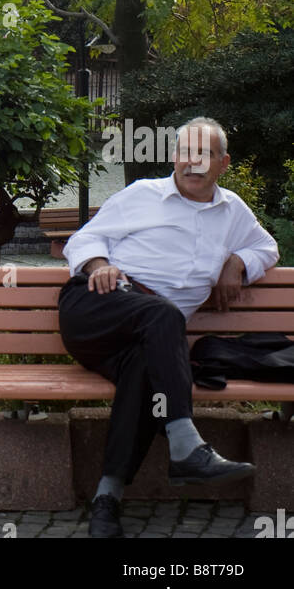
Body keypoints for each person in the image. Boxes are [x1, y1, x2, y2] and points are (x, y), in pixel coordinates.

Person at [59, 116, 279, 538]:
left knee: (146, 369)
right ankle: (186, 445)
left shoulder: (233, 211)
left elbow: (265, 247)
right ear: (173, 157)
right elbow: (83, 240)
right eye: (185, 152)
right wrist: (100, 264)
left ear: (223, 163)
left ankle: (107, 499)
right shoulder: (143, 195)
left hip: (148, 339)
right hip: (97, 307)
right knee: (166, 315)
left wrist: (238, 262)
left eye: (204, 154)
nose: (192, 162)